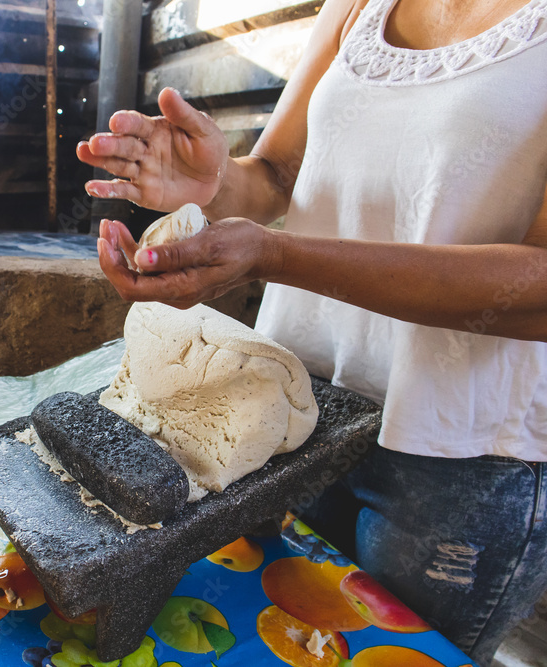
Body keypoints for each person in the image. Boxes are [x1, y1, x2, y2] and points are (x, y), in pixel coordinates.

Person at [76, 0, 547, 663]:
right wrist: (210, 181)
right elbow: (276, 176)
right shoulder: (360, 6)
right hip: (299, 414)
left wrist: (278, 256)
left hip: (457, 461)